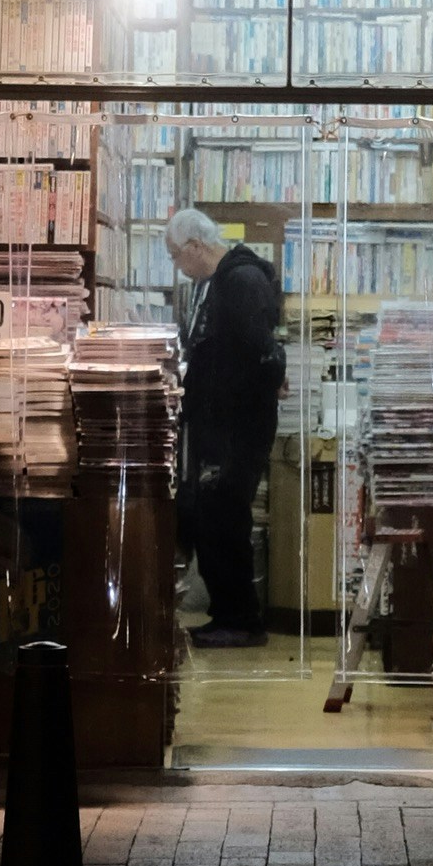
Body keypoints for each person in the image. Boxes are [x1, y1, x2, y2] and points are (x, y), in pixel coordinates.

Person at [167, 205, 284, 645]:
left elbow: (263, 352)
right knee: (212, 516)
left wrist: (254, 393)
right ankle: (229, 616)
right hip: (220, 426)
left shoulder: (241, 280)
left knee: (225, 518)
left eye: (176, 255)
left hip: (236, 430)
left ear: (196, 246)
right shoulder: (217, 283)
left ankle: (240, 621)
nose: (178, 266)